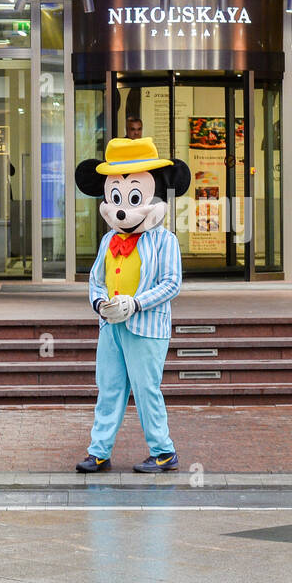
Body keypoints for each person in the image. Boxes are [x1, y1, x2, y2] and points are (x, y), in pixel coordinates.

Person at [72, 137, 191, 474]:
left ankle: (164, 451)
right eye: (116, 198)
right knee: (108, 388)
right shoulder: (109, 239)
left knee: (146, 390)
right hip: (111, 326)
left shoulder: (165, 240)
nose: (123, 208)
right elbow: (96, 277)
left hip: (147, 328)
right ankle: (99, 451)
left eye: (134, 198)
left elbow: (171, 283)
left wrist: (136, 303)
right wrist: (99, 302)